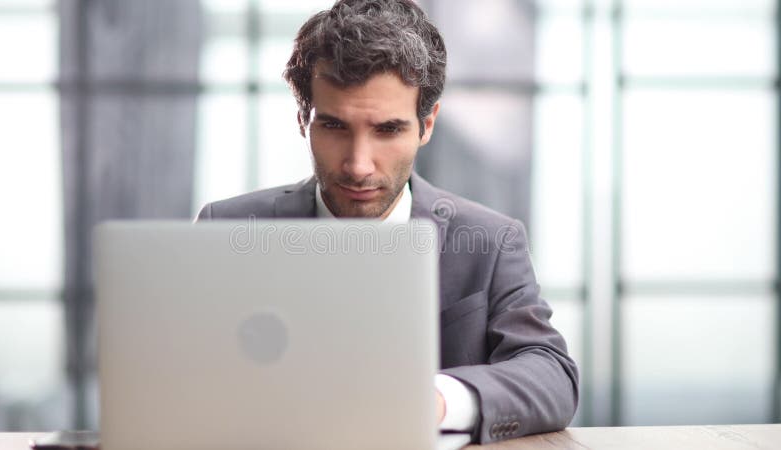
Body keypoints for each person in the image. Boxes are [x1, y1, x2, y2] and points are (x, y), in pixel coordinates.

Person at [196, 0, 579, 444]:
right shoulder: (228, 229)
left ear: (427, 124)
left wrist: (434, 400)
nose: (359, 166)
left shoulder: (490, 242)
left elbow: (550, 373)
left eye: (388, 130)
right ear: (304, 120)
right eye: (335, 126)